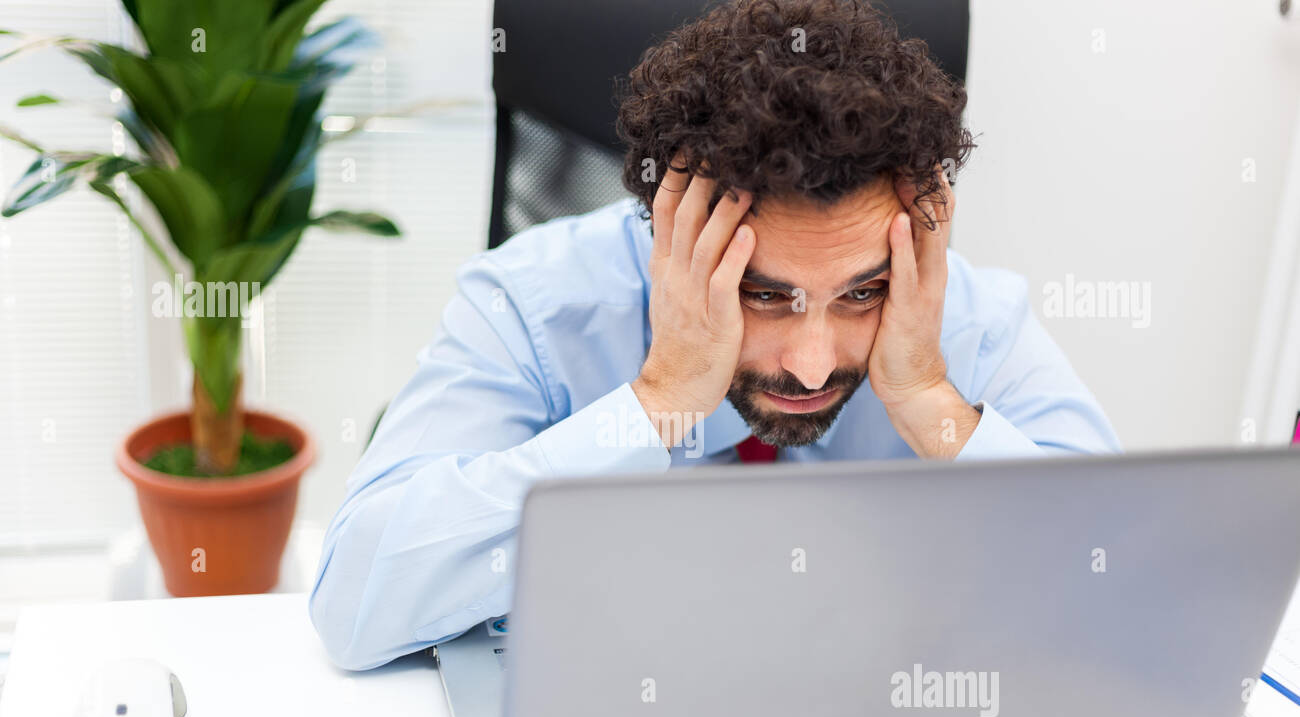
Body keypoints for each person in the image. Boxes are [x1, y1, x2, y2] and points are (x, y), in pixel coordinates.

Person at [310, 0, 1121, 670]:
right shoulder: (531, 304)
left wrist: (926, 400)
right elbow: (354, 604)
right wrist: (657, 403)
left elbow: (1130, 591)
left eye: (859, 294)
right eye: (763, 295)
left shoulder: (967, 318)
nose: (809, 368)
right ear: (667, 218)